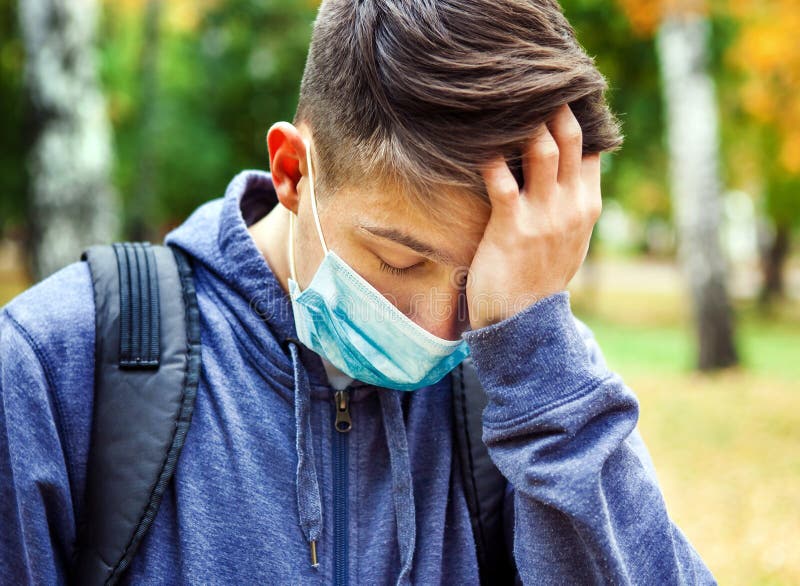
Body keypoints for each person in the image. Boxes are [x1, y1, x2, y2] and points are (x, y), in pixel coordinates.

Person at [1, 0, 716, 584]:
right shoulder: (53, 366)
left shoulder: (526, 370)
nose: (442, 330)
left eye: (481, 283)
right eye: (401, 261)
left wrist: (537, 362)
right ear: (291, 171)